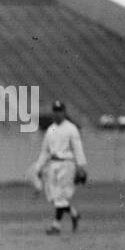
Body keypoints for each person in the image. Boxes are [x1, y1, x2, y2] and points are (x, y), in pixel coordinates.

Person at [30, 100, 88, 234]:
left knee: (61, 195)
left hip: (67, 164)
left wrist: (81, 167)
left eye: (59, 111)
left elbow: (77, 149)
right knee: (53, 196)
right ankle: (73, 213)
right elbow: (45, 151)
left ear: (64, 112)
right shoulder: (50, 129)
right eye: (55, 111)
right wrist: (39, 167)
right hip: (53, 164)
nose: (57, 114)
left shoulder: (71, 128)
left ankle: (56, 226)